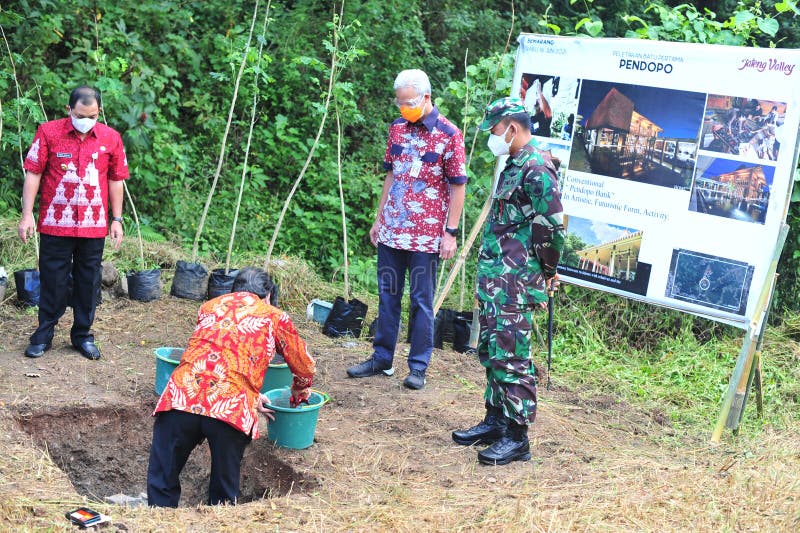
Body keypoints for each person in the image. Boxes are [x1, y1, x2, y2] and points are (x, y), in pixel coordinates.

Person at [452, 97, 565, 465]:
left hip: (516, 282)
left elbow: (552, 228)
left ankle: (518, 437)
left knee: (512, 357)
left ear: (512, 128)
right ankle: (496, 420)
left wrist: (547, 272)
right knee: (491, 350)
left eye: (495, 130)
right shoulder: (515, 163)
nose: (493, 137)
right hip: (497, 279)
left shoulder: (536, 168)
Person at [147, 267, 316, 507]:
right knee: (224, 494)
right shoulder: (273, 315)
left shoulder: (209, 306)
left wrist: (253, 396)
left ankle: (157, 520)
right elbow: (304, 364)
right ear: (267, 294)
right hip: (230, 409)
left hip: (180, 397)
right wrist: (300, 389)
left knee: (162, 477)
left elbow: (216, 355)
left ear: (234, 289)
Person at [346, 69, 467, 390]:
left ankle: (417, 367)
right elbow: (391, 175)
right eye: (399, 103)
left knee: (420, 301)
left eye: (409, 102)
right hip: (391, 233)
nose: (404, 108)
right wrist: (378, 218)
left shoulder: (449, 134)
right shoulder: (397, 129)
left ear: (427, 97)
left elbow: (458, 187)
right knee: (387, 296)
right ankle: (381, 358)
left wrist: (450, 232)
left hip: (426, 238)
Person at [18, 86, 128, 360]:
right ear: (69, 110)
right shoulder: (48, 132)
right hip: (56, 224)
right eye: (81, 115)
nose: (86, 120)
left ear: (98, 112)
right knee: (52, 279)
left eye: (92, 116)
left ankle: (82, 335)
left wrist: (117, 219)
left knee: (88, 281)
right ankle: (44, 333)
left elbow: (116, 179)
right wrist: (27, 214)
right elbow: (34, 173)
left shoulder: (111, 138)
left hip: (93, 225)